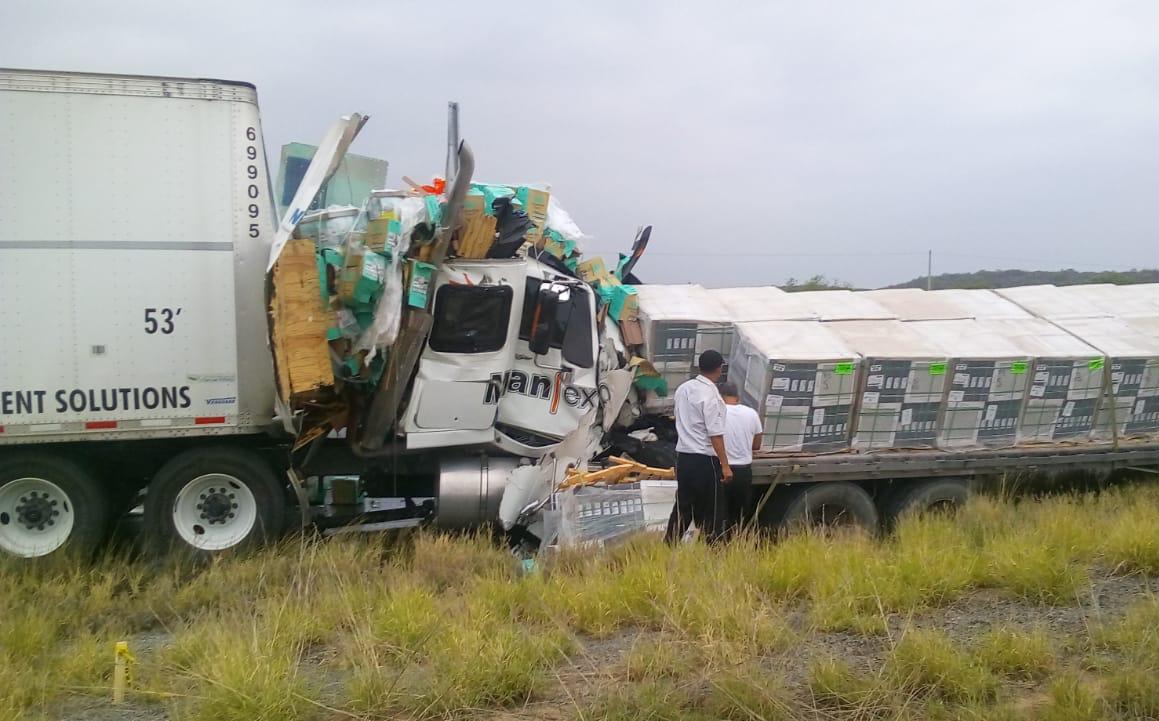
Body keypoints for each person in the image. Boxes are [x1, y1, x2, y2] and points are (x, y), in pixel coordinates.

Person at [664, 349, 732, 544]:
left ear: (699, 366)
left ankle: (669, 544)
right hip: (704, 458)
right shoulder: (711, 394)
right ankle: (714, 548)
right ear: (719, 368)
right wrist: (725, 465)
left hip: (684, 457)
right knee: (713, 508)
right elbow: (715, 433)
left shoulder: (683, 389)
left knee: (683, 507)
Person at [717, 381, 763, 537]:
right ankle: (736, 544)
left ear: (720, 397)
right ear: (737, 397)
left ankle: (717, 544)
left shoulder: (717, 413)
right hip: (744, 471)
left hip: (722, 469)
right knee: (738, 514)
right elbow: (756, 445)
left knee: (719, 513)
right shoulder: (751, 413)